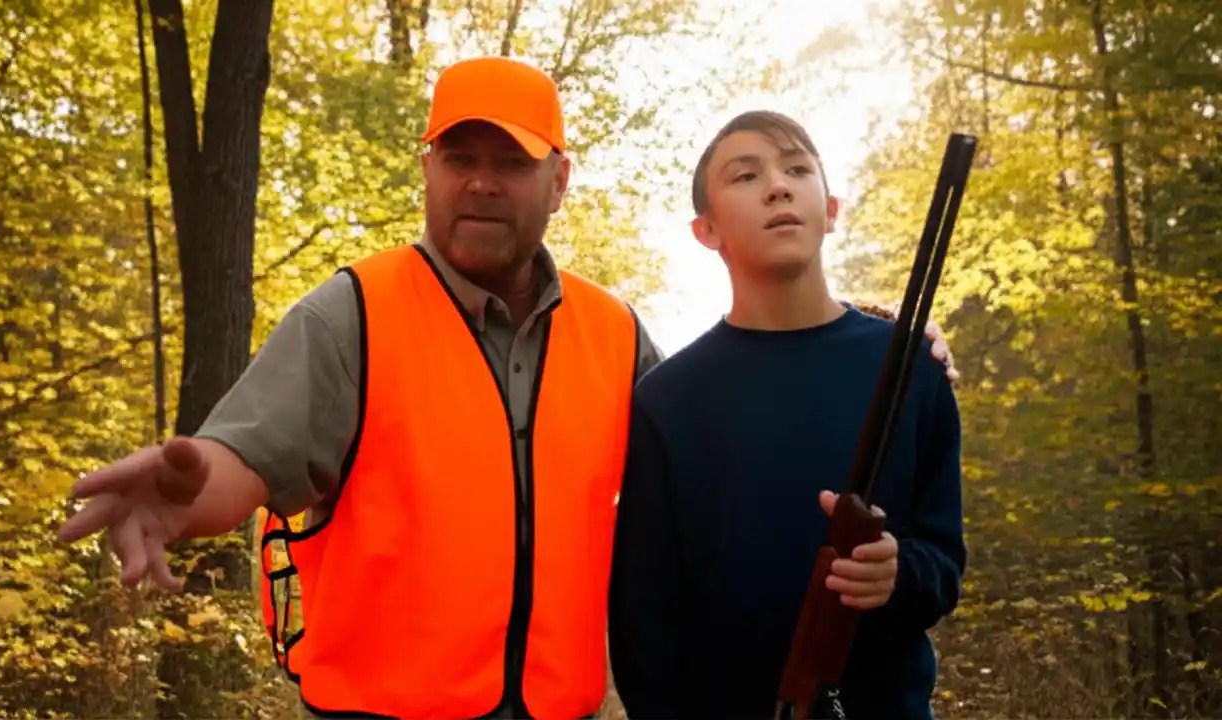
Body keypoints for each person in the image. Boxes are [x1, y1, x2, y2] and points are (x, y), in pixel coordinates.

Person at [58, 57, 956, 718]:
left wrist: (879, 339)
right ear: (428, 170)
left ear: (558, 182)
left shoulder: (615, 335)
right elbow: (240, 460)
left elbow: (743, 402)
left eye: (513, 161)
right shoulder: (351, 315)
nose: (483, 182)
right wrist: (186, 492)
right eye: (459, 157)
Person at [607, 110, 966, 719]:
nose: (777, 186)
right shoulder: (667, 399)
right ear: (706, 230)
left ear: (831, 209)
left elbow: (944, 561)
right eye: (746, 176)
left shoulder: (913, 369)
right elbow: (646, 619)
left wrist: (898, 574)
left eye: (797, 170)